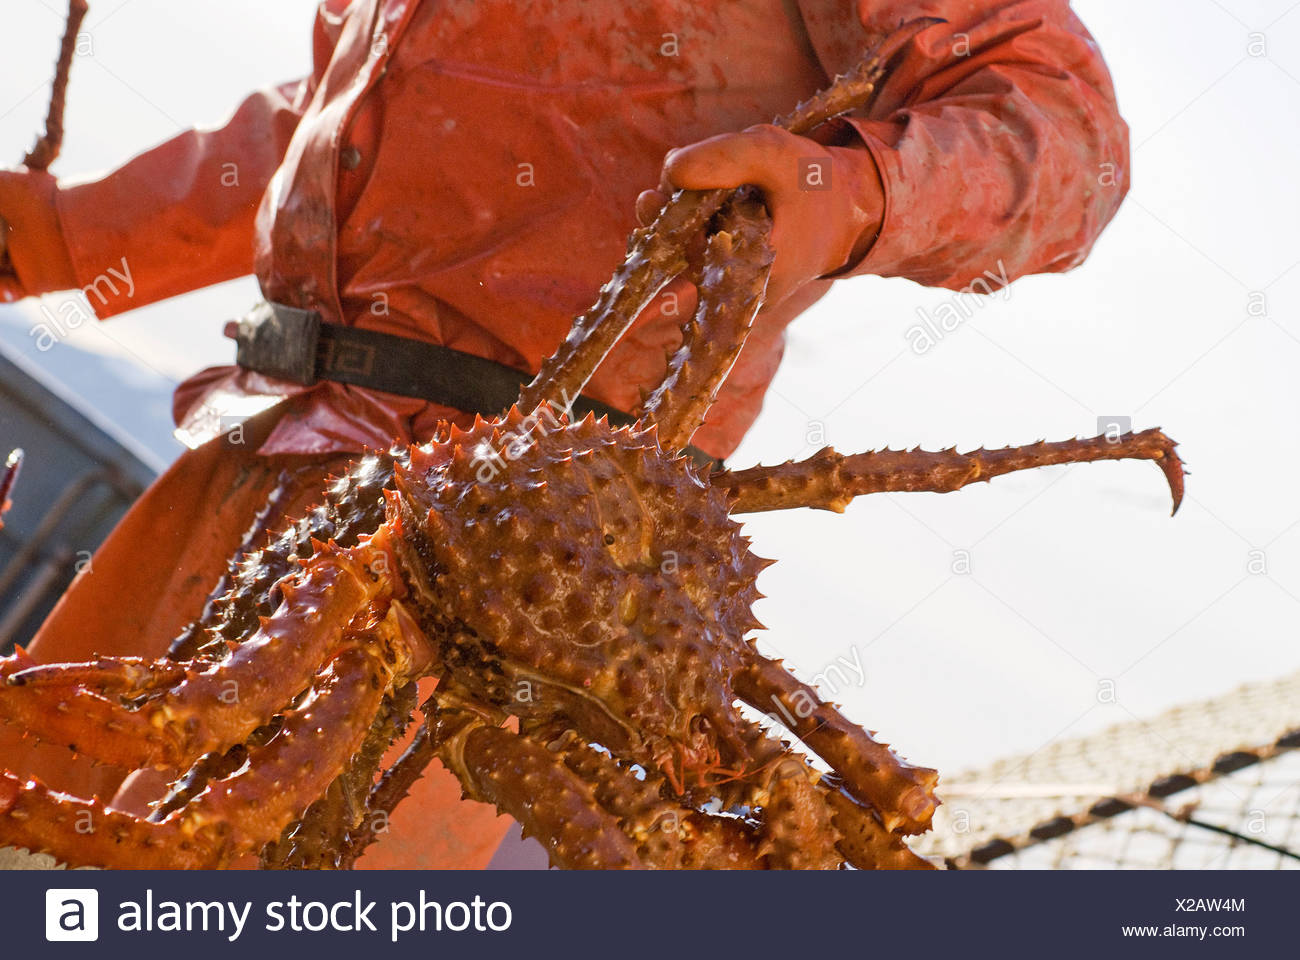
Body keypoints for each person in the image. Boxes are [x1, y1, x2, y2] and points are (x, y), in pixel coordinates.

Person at [0, 0, 1130, 868]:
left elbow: (1064, 131)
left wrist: (858, 188)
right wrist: (61, 235)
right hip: (268, 453)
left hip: (497, 592)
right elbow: (342, 113)